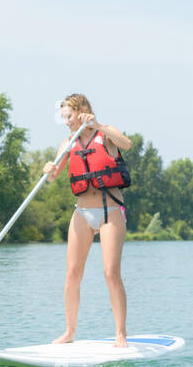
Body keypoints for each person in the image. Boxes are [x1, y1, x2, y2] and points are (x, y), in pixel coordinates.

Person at [43, 93, 134, 347]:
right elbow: (53, 176)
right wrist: (49, 171)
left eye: (69, 116)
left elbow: (126, 144)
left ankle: (121, 332)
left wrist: (98, 125)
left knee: (110, 273)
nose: (66, 122)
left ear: (82, 111)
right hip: (81, 213)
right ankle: (70, 332)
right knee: (72, 274)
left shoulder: (106, 133)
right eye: (63, 118)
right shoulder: (68, 143)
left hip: (110, 212)